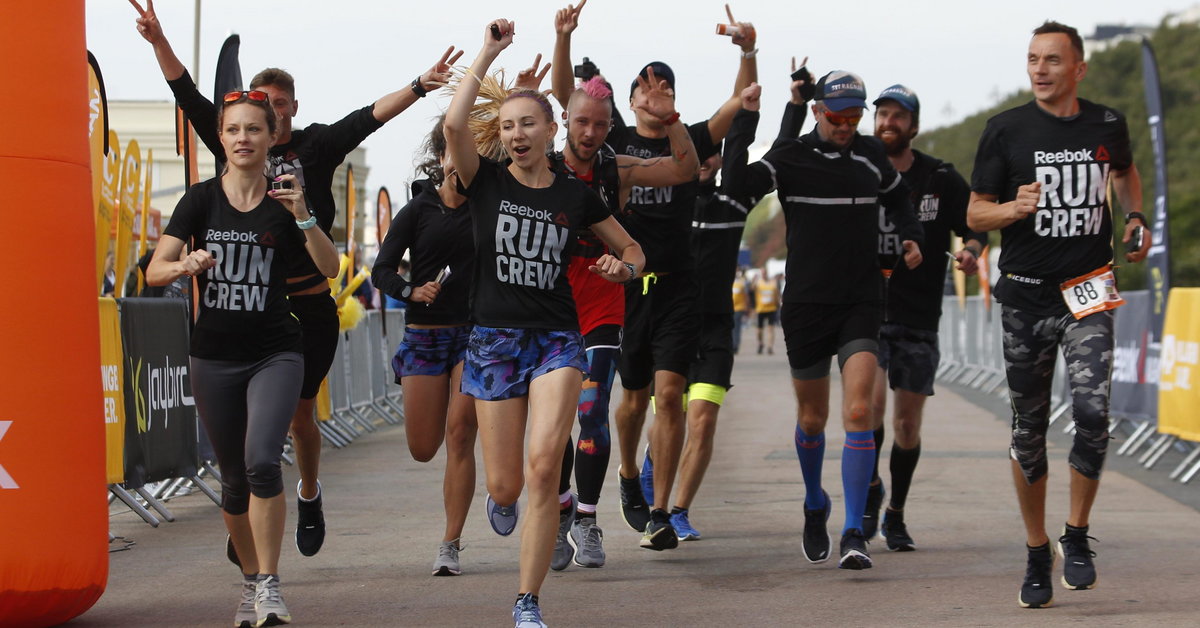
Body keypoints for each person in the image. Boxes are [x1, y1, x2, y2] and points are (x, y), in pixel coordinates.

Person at [132, 0, 458, 558]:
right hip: (247, 307)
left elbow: (370, 115)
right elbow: (187, 97)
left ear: (291, 109)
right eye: (261, 107)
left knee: (302, 417)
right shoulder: (235, 149)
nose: (270, 116)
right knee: (255, 435)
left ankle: (307, 491)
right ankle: (254, 506)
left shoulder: (315, 145)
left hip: (307, 307)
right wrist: (159, 40)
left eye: (280, 106)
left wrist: (420, 86)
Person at [443, 20, 644, 627]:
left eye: (527, 122)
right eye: (507, 126)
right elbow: (455, 126)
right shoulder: (486, 182)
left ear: (551, 130)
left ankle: (526, 602)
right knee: (504, 485)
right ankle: (500, 501)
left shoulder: (575, 197)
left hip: (558, 339)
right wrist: (490, 51)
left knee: (540, 469)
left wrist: (621, 268)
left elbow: (634, 251)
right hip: (494, 341)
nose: (517, 133)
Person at [967, 20, 1148, 609]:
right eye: (1032, 59)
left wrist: (1134, 218)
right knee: (1028, 433)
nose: (1039, 69)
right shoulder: (1006, 131)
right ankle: (1035, 548)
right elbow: (974, 215)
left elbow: (1122, 171)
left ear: (1078, 69)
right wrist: (1011, 210)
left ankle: (1075, 535)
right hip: (1024, 296)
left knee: (1094, 412)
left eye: (1051, 60)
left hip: (1088, 290)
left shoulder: (1107, 125)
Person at [146, 89, 339, 628]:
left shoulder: (285, 202)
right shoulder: (201, 200)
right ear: (223, 137)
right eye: (233, 130)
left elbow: (330, 267)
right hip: (215, 356)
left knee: (260, 460)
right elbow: (153, 271)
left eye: (253, 129)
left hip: (276, 352)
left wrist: (303, 215)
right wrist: (186, 262)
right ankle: (251, 583)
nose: (242, 139)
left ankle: (272, 585)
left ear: (271, 136)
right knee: (233, 479)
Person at [724, 71, 923, 571]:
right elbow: (738, 185)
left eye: (856, 118)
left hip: (861, 300)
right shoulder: (790, 157)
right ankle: (815, 501)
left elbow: (900, 196)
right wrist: (746, 118)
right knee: (812, 420)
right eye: (838, 117)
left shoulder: (870, 155)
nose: (847, 126)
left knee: (859, 414)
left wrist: (910, 233)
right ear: (817, 112)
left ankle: (854, 531)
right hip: (807, 305)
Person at [544, 0, 699, 569]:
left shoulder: (617, 166)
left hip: (607, 297)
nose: (589, 132)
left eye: (600, 125)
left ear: (612, 128)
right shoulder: (542, 160)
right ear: (565, 121)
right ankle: (560, 510)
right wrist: (562, 38)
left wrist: (671, 118)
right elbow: (566, 92)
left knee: (591, 411)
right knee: (553, 421)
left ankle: (586, 520)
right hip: (548, 302)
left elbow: (683, 170)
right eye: (581, 122)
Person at [609, 6, 758, 551]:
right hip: (628, 286)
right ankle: (628, 474)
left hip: (680, 285)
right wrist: (563, 37)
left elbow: (739, 107)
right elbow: (564, 100)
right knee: (631, 401)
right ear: (630, 100)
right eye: (647, 88)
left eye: (666, 86)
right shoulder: (615, 142)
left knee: (669, 396)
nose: (657, 93)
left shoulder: (687, 137)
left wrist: (747, 51)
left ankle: (660, 512)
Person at [859, 84, 987, 551]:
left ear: (913, 126)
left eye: (897, 116)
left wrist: (971, 252)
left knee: (907, 426)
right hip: (867, 312)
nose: (887, 122)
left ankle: (896, 513)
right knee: (868, 408)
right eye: (882, 114)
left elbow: (974, 226)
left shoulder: (941, 178)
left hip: (918, 316)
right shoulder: (860, 170)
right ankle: (870, 488)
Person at [371, 116, 478, 577]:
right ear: (440, 158)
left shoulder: (490, 205)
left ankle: (450, 542)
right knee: (422, 447)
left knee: (460, 434)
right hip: (424, 336)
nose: (462, 158)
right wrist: (411, 290)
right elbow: (381, 270)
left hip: (475, 337)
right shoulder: (417, 211)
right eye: (454, 148)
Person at [667, 82, 767, 542]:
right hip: (669, 327)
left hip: (715, 329)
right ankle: (654, 470)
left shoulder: (734, 202)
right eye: (697, 151)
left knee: (703, 420)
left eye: (713, 153)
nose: (705, 160)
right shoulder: (668, 203)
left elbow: (749, 139)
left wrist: (777, 104)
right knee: (667, 419)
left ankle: (679, 510)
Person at [752, 266, 779, 354]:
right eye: (762, 273)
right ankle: (760, 343)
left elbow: (777, 294)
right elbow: (751, 289)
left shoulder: (773, 282)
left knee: (771, 329)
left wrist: (778, 303)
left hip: (771, 308)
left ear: (767, 273)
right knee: (759, 330)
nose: (764, 274)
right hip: (760, 309)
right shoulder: (758, 283)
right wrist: (754, 280)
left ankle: (770, 347)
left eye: (765, 273)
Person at [731, 269, 751, 354]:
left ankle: (735, 345)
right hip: (730, 308)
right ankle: (732, 344)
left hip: (739, 308)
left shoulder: (742, 283)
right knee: (731, 328)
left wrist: (747, 307)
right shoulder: (730, 281)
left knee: (736, 328)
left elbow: (746, 296)